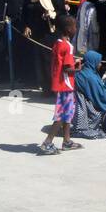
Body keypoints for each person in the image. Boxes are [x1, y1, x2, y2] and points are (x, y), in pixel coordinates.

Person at [37, 15, 83, 155]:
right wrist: (78, 68)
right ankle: (48, 142)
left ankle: (67, 141)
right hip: (66, 85)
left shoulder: (57, 43)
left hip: (59, 83)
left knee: (68, 113)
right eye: (75, 26)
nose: (76, 28)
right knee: (62, 114)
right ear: (69, 29)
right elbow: (67, 68)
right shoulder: (68, 46)